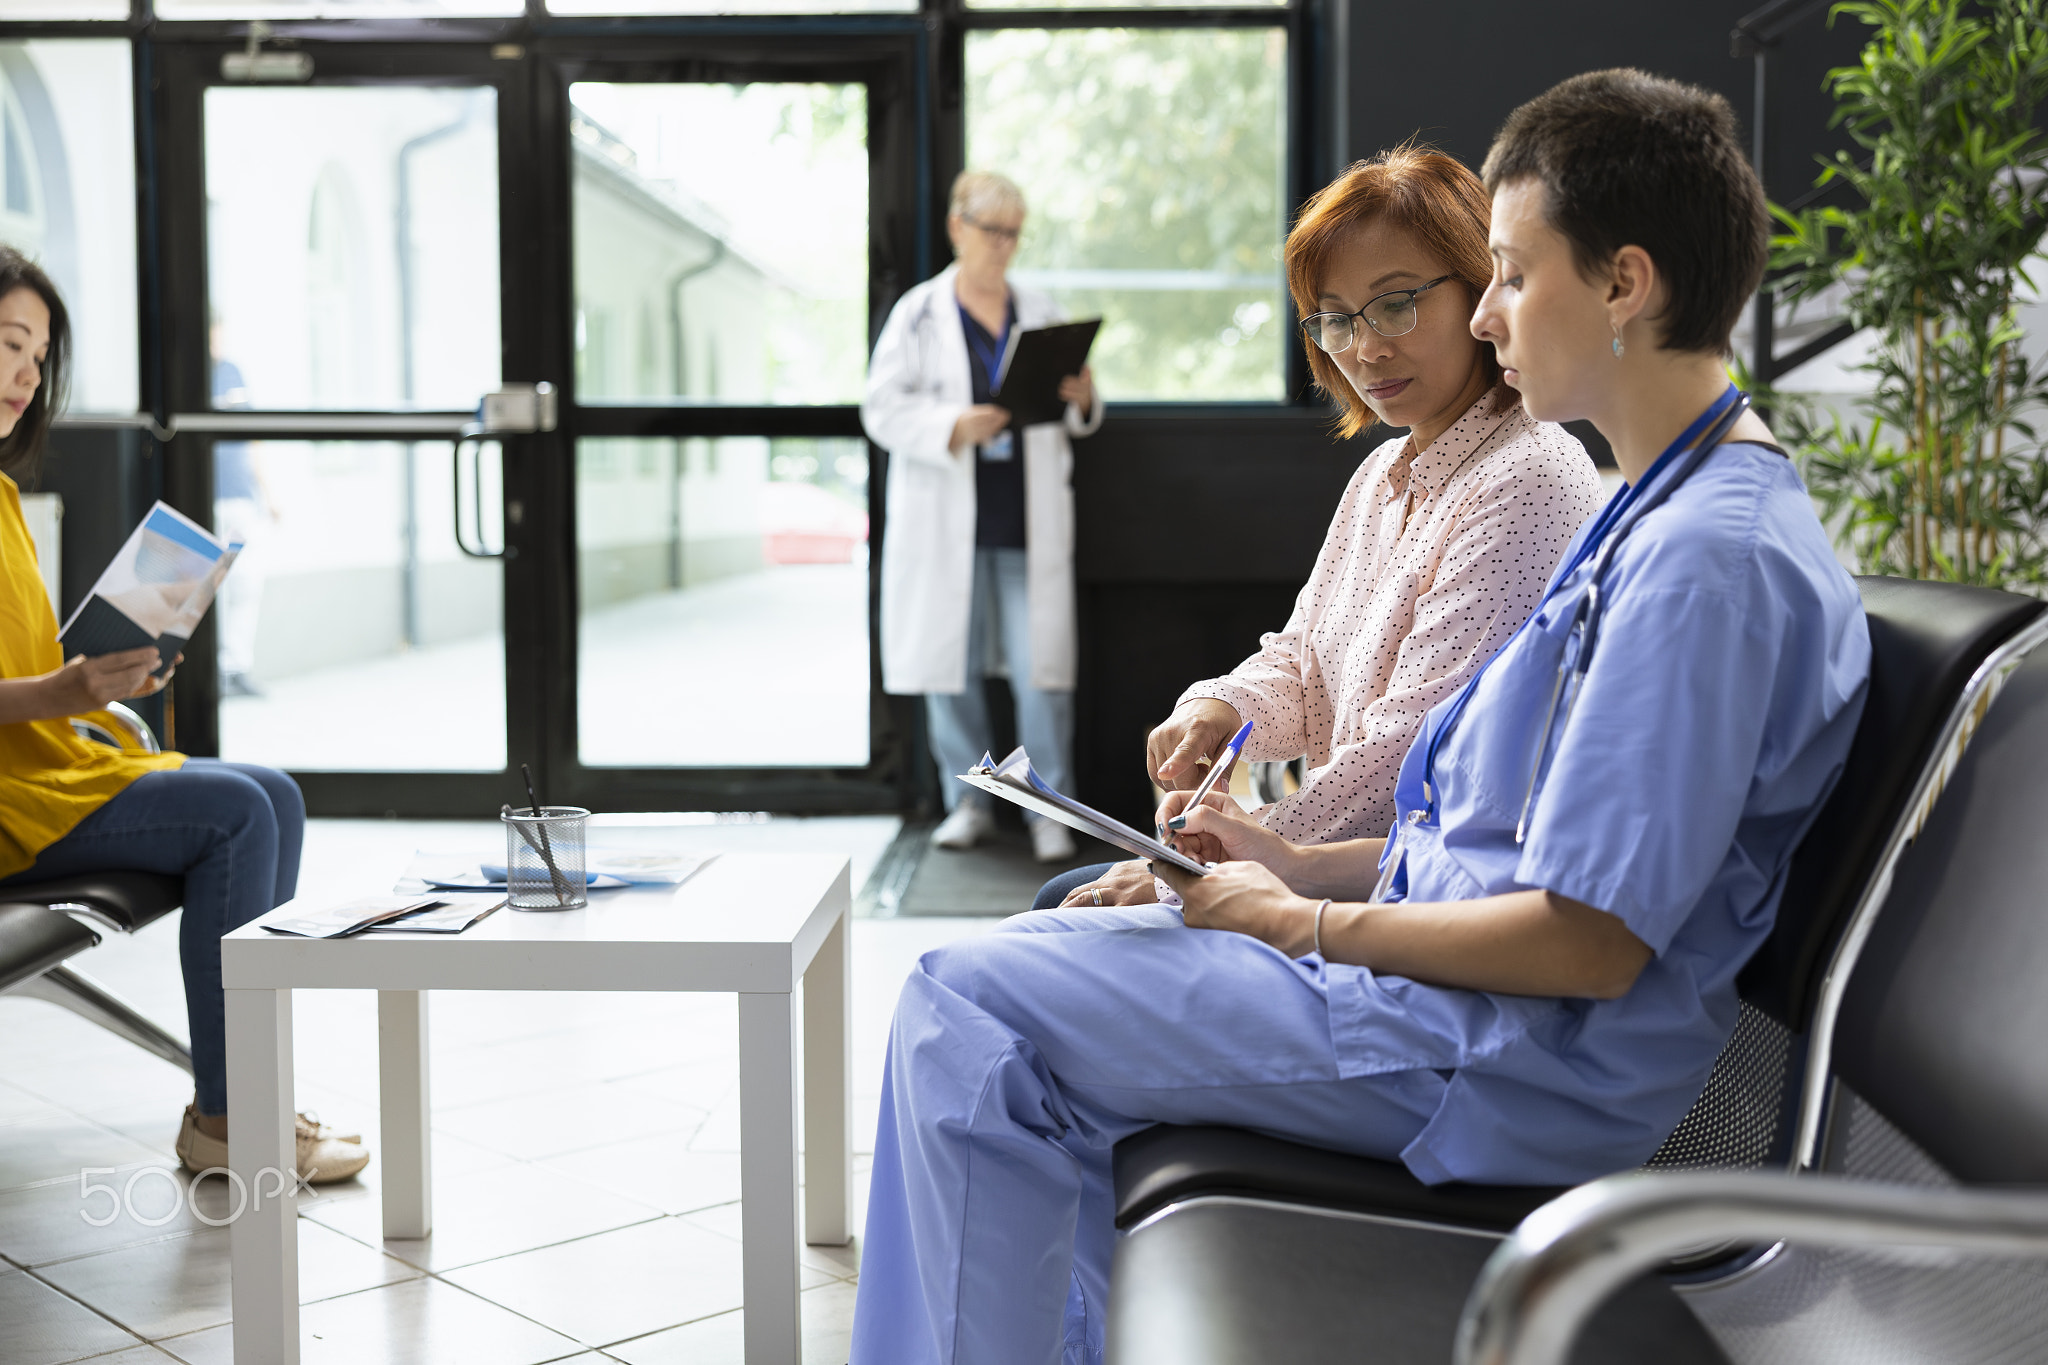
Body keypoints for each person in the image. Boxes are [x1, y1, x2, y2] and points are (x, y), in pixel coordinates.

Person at [848, 69, 1870, 1365]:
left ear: (1625, 284)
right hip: (1452, 999)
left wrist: (1300, 917)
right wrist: (1282, 860)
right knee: (1007, 997)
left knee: (966, 1006)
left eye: (1504, 274)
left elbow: (1590, 943)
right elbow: (1493, 832)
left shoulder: (1702, 562)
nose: (1492, 318)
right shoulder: (1653, 507)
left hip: (1495, 1052)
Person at [1038, 144, 1604, 913]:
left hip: (1413, 900)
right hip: (1339, 874)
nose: (1367, 348)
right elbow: (1306, 663)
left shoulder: (1525, 476)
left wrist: (1232, 852)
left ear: (1479, 287)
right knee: (1065, 903)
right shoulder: (1383, 474)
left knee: (1061, 913)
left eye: (1398, 303)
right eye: (1336, 319)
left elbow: (1406, 760)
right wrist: (1222, 707)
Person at [0, 248, 367, 1183]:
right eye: (9, 345)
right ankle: (229, 1119)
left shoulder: (2, 497)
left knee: (272, 792)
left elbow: (31, 672)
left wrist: (104, 676)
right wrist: (62, 695)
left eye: (38, 359)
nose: (25, 377)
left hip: (43, 766)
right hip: (12, 799)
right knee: (238, 814)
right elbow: (33, 692)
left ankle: (246, 1097)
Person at [862, 170, 1102, 864]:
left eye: (1014, 233)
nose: (1004, 246)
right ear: (957, 227)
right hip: (948, 521)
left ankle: (1047, 808)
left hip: (1025, 517)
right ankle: (967, 799)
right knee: (951, 665)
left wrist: (1082, 394)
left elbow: (1080, 412)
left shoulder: (1039, 305)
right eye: (992, 231)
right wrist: (952, 424)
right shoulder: (919, 313)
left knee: (1040, 671)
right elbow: (881, 409)